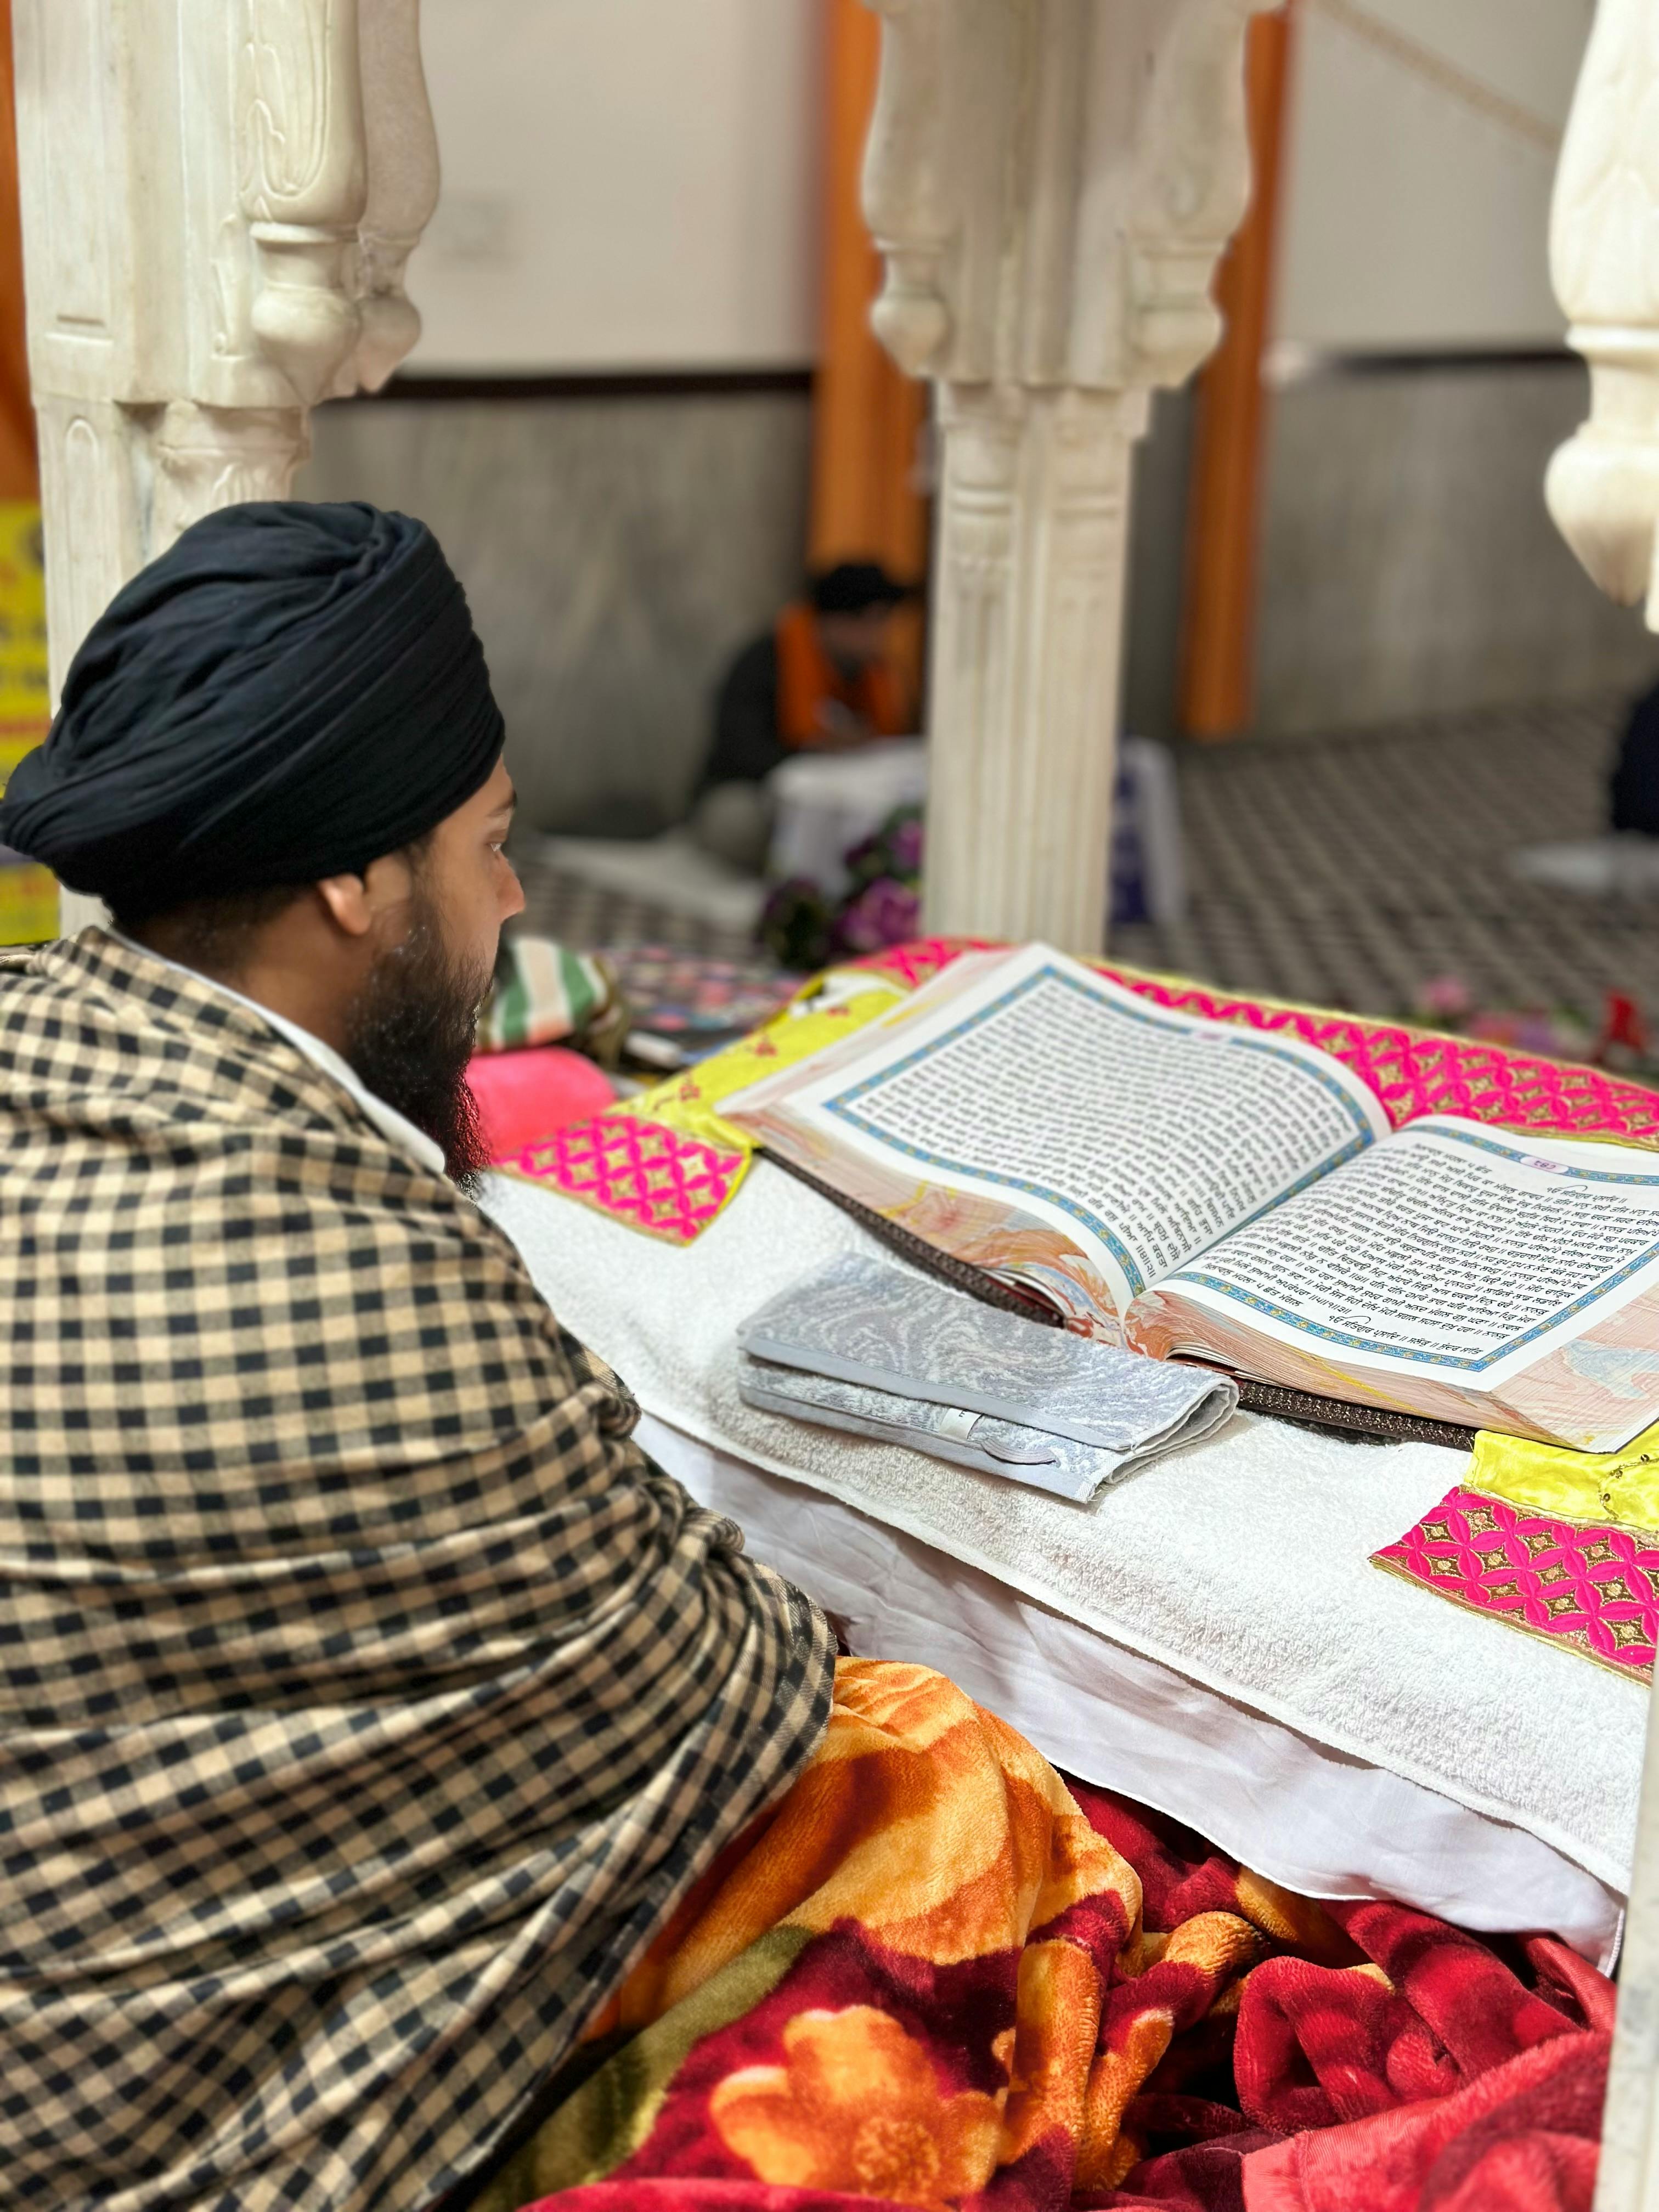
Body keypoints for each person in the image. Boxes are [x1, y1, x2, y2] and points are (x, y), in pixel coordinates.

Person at [690, 559, 911, 873]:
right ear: (837, 622)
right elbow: (740, 749)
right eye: (871, 622)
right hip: (757, 789)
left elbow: (891, 741)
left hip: (842, 798)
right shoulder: (768, 660)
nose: (880, 634)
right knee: (739, 825)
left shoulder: (877, 675)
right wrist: (814, 752)